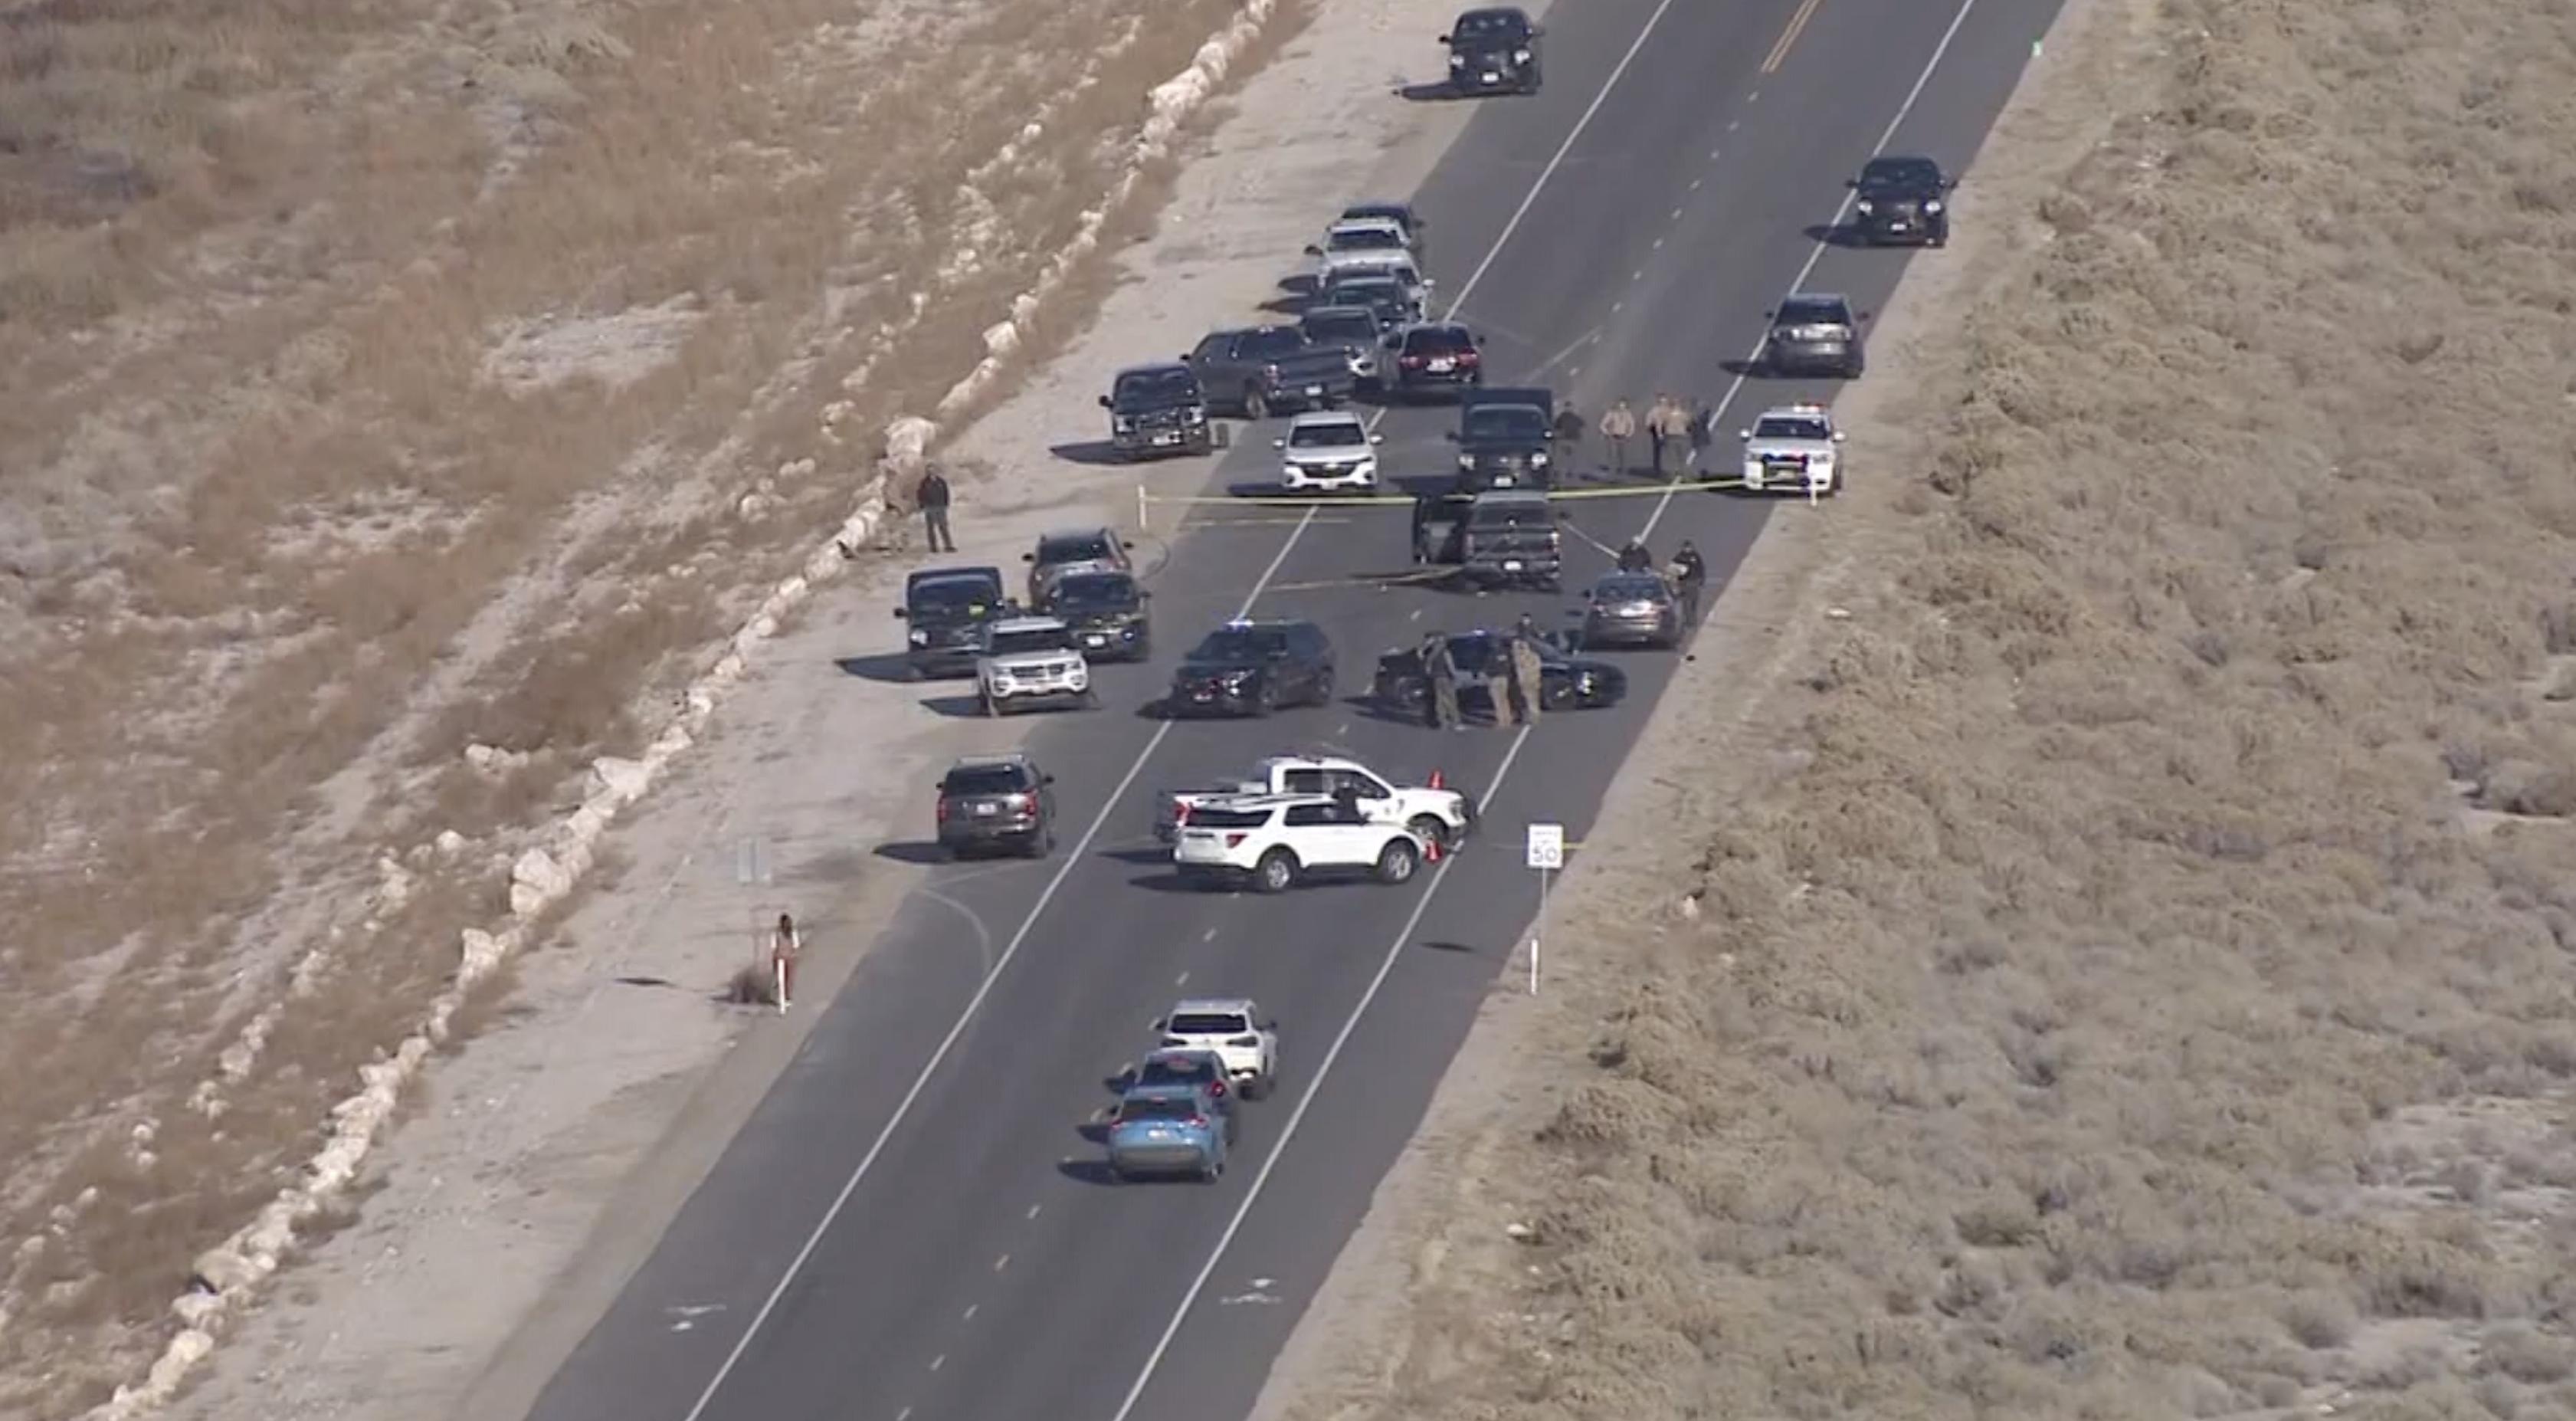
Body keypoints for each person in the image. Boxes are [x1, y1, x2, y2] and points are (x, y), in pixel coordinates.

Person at [1421, 632, 1463, 730]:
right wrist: (1454, 676)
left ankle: (1442, 722)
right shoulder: (1445, 653)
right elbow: (1450, 666)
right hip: (1445, 678)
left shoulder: (1432, 654)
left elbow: (1427, 668)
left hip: (1436, 679)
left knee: (1439, 701)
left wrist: (1432, 675)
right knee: (1451, 700)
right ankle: (1455, 722)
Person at [1508, 628, 1545, 724]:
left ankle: (1534, 716)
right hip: (1529, 680)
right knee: (1531, 699)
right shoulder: (1532, 656)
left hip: (1529, 680)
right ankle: (1534, 716)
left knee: (1531, 699)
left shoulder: (1526, 658)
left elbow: (1522, 665)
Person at [916, 464, 956, 553]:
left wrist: (946, 504)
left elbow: (946, 493)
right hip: (929, 507)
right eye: (929, 470)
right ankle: (933, 547)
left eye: (933, 470)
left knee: (943, 527)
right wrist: (922, 505)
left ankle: (948, 546)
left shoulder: (941, 481)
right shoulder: (924, 483)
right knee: (931, 528)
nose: (931, 471)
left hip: (940, 506)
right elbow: (920, 494)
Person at [1670, 539, 1709, 629]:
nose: (1688, 549)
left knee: (1694, 603)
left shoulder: (1695, 556)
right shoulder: (1679, 558)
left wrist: (1702, 580)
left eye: (1689, 547)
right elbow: (1673, 570)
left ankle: (1693, 620)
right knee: (1686, 603)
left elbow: (1701, 568)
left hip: (1694, 582)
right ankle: (1688, 621)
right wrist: (1675, 583)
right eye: (1686, 547)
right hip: (1684, 583)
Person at [769, 911, 802, 1010]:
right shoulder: (776, 933)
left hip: (789, 958)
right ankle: (781, 996)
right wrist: (775, 957)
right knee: (780, 979)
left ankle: (787, 997)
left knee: (789, 979)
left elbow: (796, 946)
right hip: (780, 958)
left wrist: (794, 955)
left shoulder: (793, 933)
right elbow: (774, 947)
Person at [1654, 397, 1696, 476]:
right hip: (1675, 437)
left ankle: (1679, 472)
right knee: (1678, 457)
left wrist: (1660, 434)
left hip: (1675, 437)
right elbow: (1690, 424)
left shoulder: (1668, 414)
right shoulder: (1682, 414)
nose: (1676, 406)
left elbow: (1659, 424)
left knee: (1677, 457)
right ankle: (1679, 473)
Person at [1484, 635, 1518, 727]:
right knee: (1505, 699)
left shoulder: (1491, 655)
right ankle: (1508, 719)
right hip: (1504, 678)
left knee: (1497, 701)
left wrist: (1487, 676)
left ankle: (1501, 721)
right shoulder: (1505, 654)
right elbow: (1509, 665)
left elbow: (1488, 669)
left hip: (1495, 679)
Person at [1598, 399, 1637, 475]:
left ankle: (1623, 473)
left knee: (1623, 456)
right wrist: (1607, 433)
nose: (1622, 406)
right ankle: (1612, 473)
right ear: (1617, 404)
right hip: (1613, 437)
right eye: (1620, 404)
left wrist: (1629, 434)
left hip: (1623, 437)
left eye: (1624, 405)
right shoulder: (1611, 413)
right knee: (1613, 456)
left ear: (1626, 405)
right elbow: (1602, 425)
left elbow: (1632, 425)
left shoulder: (1628, 414)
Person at [1646, 393, 1676, 474]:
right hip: (1657, 432)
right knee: (1657, 451)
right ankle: (1657, 469)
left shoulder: (1669, 410)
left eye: (1664, 401)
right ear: (1659, 402)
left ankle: (1673, 468)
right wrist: (1651, 428)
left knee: (1670, 450)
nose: (1663, 403)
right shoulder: (1654, 410)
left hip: (1668, 431)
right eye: (1661, 401)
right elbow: (1649, 420)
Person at [1551, 402, 1586, 470]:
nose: (1568, 409)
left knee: (1565, 456)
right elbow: (1583, 424)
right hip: (1570, 439)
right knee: (1570, 456)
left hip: (1567, 439)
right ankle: (1569, 469)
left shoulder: (1562, 416)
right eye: (1569, 407)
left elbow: (1556, 426)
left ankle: (1565, 469)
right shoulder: (1572, 416)